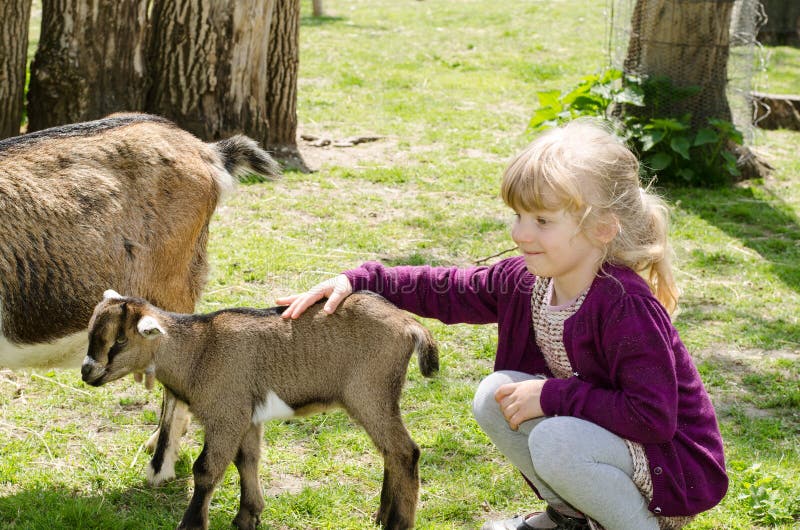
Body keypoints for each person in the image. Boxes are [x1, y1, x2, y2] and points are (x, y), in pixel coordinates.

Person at [276, 119, 727, 530]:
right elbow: (448, 288)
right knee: (496, 395)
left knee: (553, 438)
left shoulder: (625, 305)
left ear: (603, 229)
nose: (520, 234)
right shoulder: (528, 280)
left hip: (667, 468)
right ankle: (572, 518)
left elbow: (652, 418)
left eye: (542, 221)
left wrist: (550, 396)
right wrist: (360, 280)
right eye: (519, 216)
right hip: (606, 443)